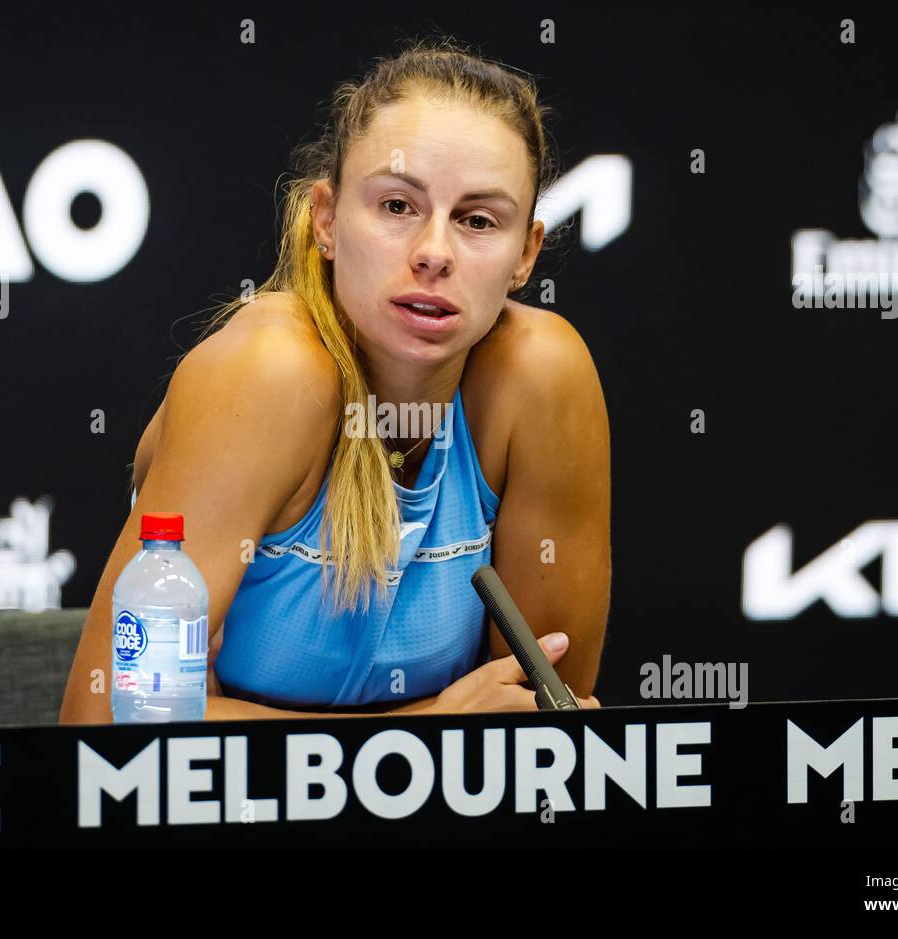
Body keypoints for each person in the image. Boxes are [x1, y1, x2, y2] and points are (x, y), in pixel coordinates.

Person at [60, 36, 610, 723]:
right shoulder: (266, 376)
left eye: (477, 220)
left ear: (526, 253)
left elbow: (547, 725)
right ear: (326, 219)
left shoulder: (540, 379)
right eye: (397, 207)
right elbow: (106, 724)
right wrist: (418, 736)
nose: (433, 253)